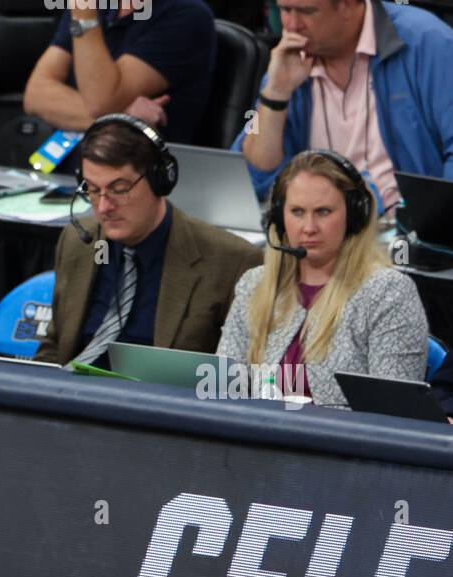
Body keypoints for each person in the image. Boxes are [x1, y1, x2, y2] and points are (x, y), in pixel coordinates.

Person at [35, 115, 262, 368]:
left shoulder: (233, 262)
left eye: (119, 188)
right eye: (92, 189)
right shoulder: (78, 241)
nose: (104, 206)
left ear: (159, 179)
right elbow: (54, 346)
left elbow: (242, 375)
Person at [217, 149, 427, 406]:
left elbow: (394, 414)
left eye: (323, 212)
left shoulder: (388, 292)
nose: (309, 227)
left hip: (342, 445)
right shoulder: (254, 285)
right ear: (279, 219)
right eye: (297, 212)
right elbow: (222, 392)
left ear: (354, 216)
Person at [234, 0, 453, 211]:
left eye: (306, 12)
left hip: (398, 233)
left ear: (348, 5)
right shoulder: (289, 59)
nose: (291, 25)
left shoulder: (428, 43)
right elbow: (252, 176)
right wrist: (275, 92)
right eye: (284, 9)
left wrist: (433, 227)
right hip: (310, 231)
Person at [22, 0, 217, 143]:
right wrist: (122, 118)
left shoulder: (187, 15)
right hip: (68, 170)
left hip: (135, 180)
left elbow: (101, 102)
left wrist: (84, 18)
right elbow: (35, 94)